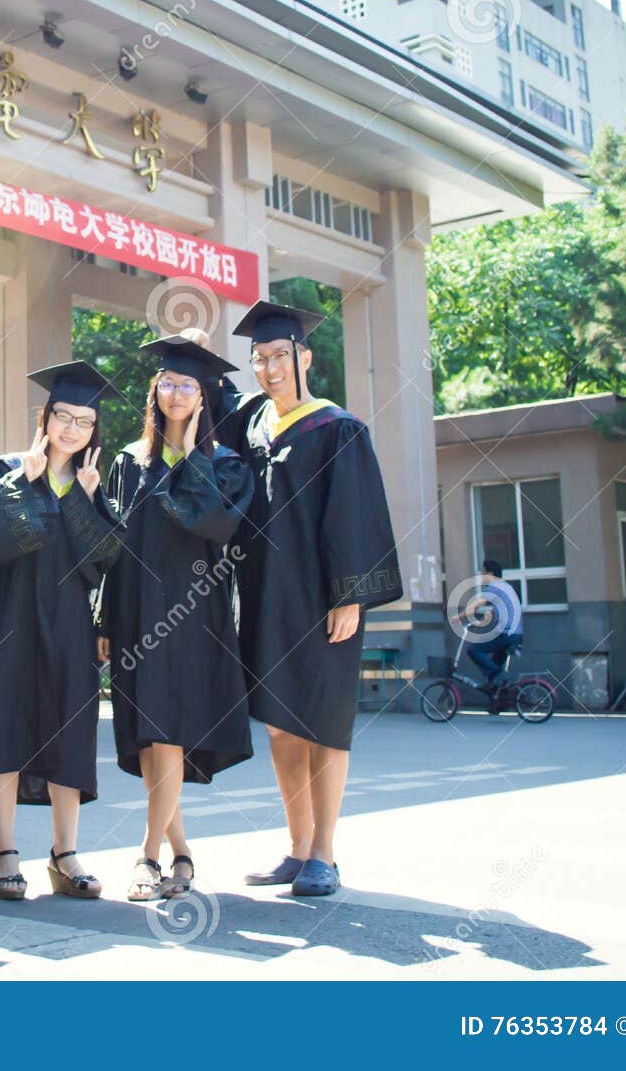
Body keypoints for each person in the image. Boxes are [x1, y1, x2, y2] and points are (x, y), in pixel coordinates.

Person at [212, 301, 402, 899]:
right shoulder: (248, 424)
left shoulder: (337, 429)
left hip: (322, 603)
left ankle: (325, 853)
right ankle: (296, 848)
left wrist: (351, 597)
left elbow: (355, 516)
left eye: (279, 357)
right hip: (264, 597)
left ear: (305, 358)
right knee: (280, 725)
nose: (269, 369)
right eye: (260, 359)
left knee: (322, 723)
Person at [98, 336, 255, 902]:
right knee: (149, 737)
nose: (176, 392)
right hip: (136, 609)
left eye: (188, 384)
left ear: (205, 394)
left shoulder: (225, 465)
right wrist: (102, 623)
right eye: (168, 382)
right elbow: (112, 544)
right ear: (154, 390)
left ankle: (146, 855)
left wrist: (190, 453)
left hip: (193, 614)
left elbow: (213, 523)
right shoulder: (128, 461)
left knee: (167, 731)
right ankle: (183, 852)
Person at [0, 361, 123, 901]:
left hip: (68, 629)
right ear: (47, 417)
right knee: (5, 729)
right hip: (9, 625)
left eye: (85, 421)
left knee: (69, 734)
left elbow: (98, 563)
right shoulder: (3, 473)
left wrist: (79, 498)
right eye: (64, 416)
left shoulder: (91, 487)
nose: (73, 429)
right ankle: (6, 854)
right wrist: (26, 483)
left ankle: (65, 853)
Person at [466, 559, 524, 700]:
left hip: (506, 635)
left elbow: (477, 604)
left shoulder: (495, 587)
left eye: (483, 572)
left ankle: (500, 677)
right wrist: (477, 624)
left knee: (473, 650)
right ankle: (498, 702)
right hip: (516, 635)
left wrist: (457, 616)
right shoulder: (505, 587)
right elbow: (492, 613)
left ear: (490, 573)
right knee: (494, 670)